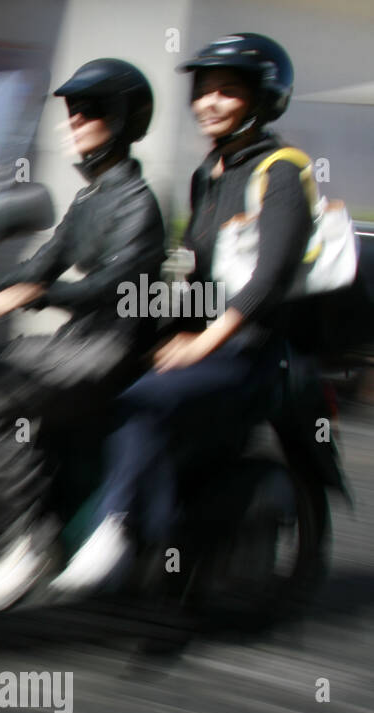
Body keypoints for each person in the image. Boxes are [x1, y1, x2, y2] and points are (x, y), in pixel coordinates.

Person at [48, 33, 312, 595]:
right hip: (209, 338)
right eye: (203, 90)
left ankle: (117, 530)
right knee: (96, 377)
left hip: (251, 352)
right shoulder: (209, 173)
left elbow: (269, 279)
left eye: (228, 91)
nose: (208, 102)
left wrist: (201, 343)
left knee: (143, 399)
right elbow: (194, 275)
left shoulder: (281, 171)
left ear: (262, 101)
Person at [0, 58, 166, 614]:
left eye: (90, 110)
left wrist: (29, 295)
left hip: (107, 351)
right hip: (75, 344)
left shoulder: (137, 205)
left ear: (121, 120)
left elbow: (109, 289)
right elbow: (40, 264)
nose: (76, 120)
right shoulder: (91, 199)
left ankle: (24, 542)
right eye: (72, 110)